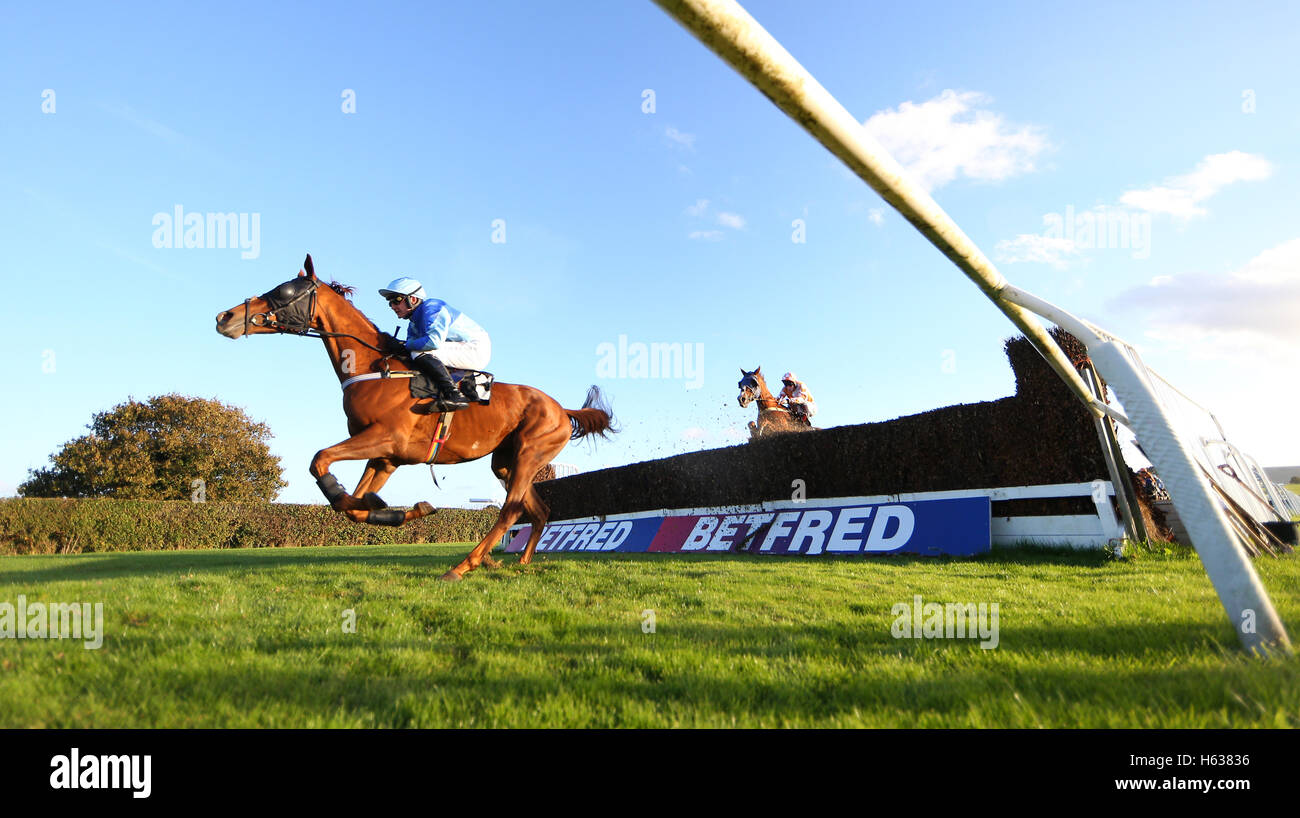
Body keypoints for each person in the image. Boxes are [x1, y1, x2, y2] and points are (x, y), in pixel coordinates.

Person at [377, 277, 491, 411]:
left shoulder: (432, 308)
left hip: (475, 348)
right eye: (389, 302)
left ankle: (454, 394)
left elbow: (432, 342)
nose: (393, 306)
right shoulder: (413, 324)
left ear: (413, 299)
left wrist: (405, 345)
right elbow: (409, 346)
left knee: (419, 352)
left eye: (396, 300)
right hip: (461, 347)